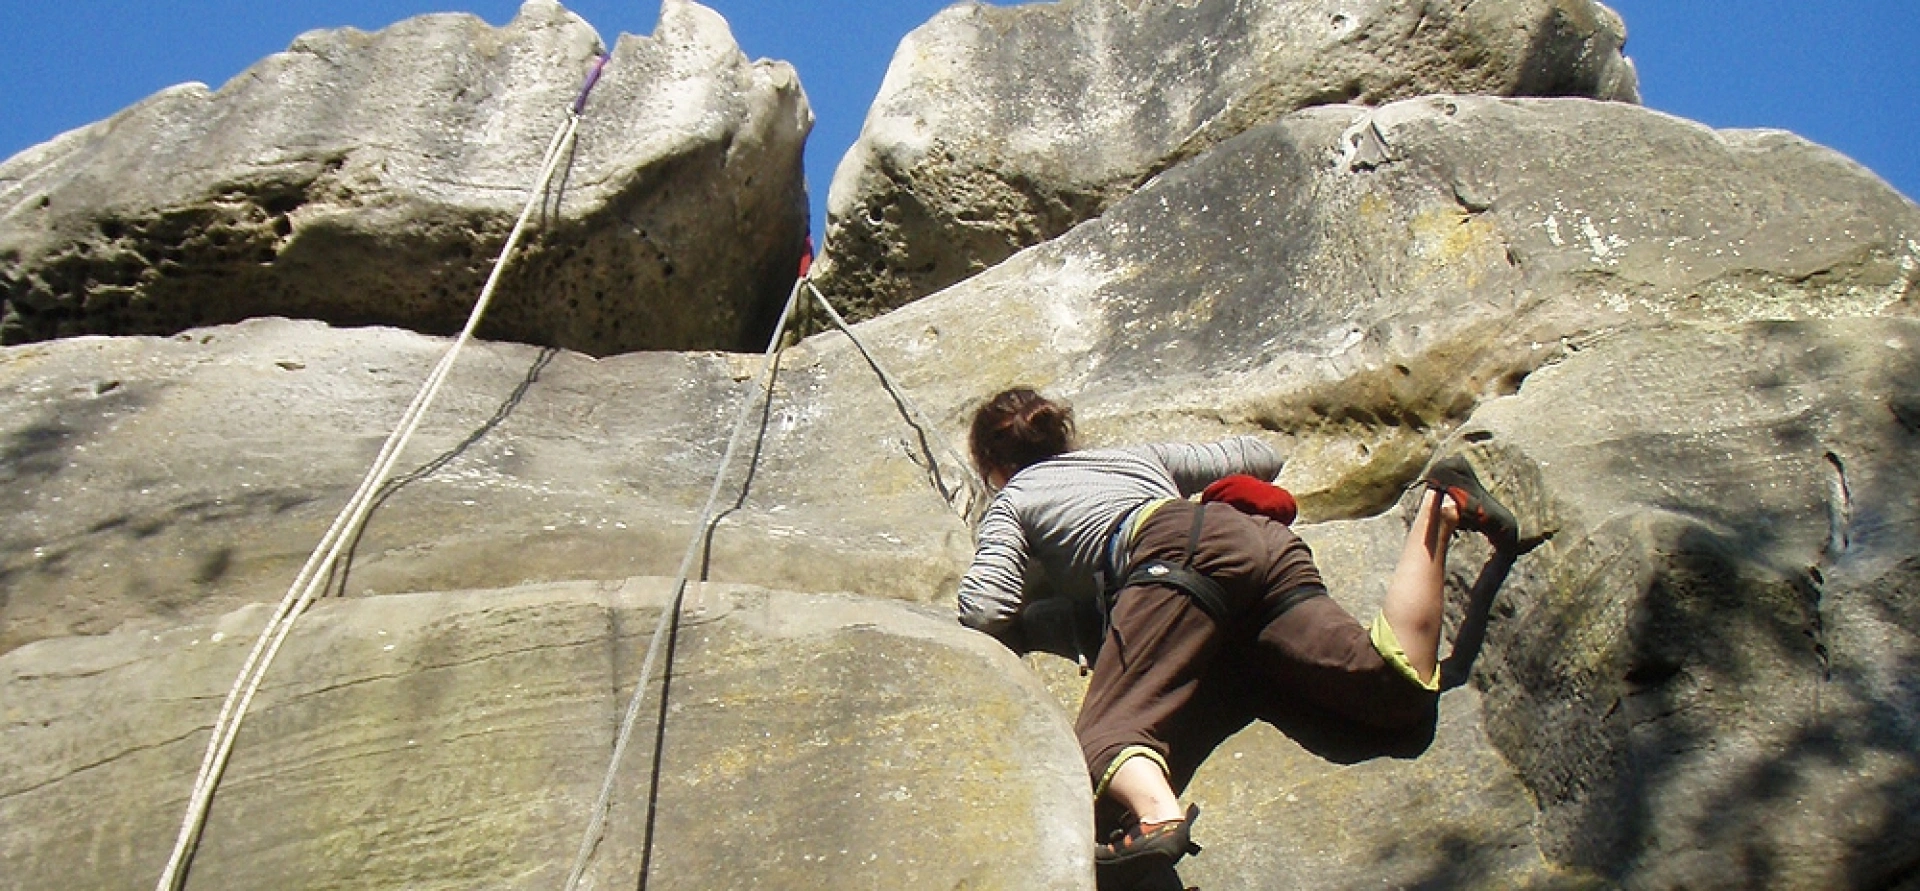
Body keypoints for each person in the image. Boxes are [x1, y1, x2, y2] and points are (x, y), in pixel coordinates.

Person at [955, 387, 1517, 877]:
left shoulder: (1016, 498)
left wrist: (1036, 571)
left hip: (1172, 558)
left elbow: (986, 608)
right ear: (1060, 436)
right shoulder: (1133, 457)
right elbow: (1262, 456)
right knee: (1390, 692)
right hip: (1256, 543)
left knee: (1101, 745)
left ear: (994, 469)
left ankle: (1156, 822)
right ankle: (1438, 505)